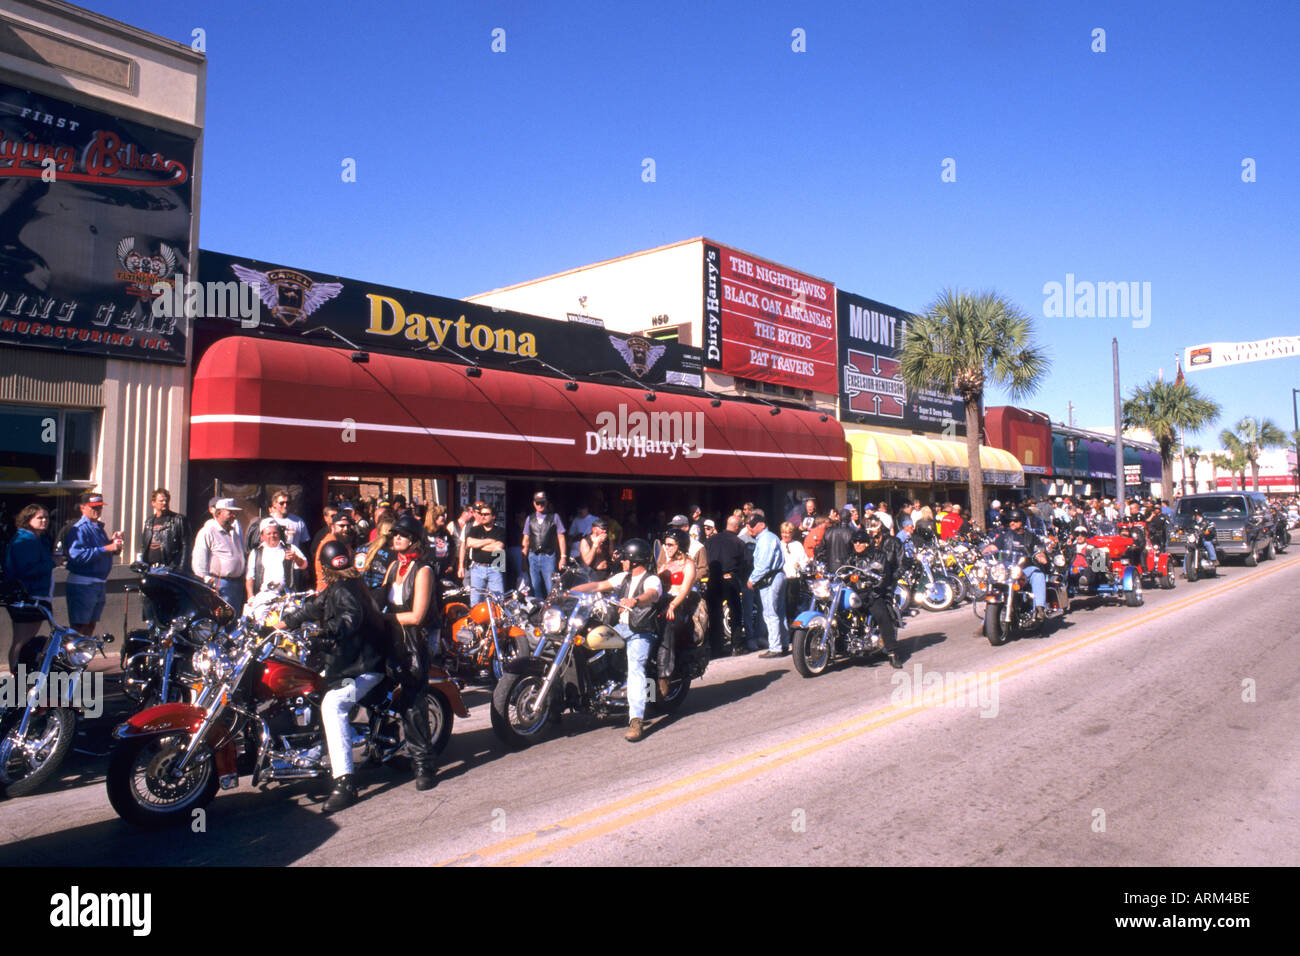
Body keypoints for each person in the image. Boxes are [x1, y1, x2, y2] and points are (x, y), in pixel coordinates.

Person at [276, 539, 390, 812]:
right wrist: (281, 622)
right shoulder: (343, 585)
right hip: (349, 663)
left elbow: (352, 617)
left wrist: (328, 633)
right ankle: (315, 749)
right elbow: (315, 605)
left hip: (365, 669)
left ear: (326, 568)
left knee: (333, 704)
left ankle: (345, 783)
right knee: (307, 686)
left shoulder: (347, 590)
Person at [571, 539, 663, 742]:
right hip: (621, 628)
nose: (622, 561)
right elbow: (598, 584)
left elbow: (652, 594)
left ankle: (636, 720)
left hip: (641, 631)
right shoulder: (623, 577)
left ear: (635, 561)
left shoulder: (651, 580)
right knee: (585, 641)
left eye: (625, 559)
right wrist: (572, 591)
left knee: (635, 667)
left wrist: (635, 600)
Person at [378, 514, 440, 790]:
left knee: (414, 701)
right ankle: (383, 749)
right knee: (382, 694)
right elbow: (381, 601)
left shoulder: (423, 570)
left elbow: (416, 616)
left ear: (414, 539)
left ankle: (423, 763)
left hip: (416, 641)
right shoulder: (393, 567)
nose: (397, 537)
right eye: (394, 534)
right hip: (393, 637)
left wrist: (385, 619)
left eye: (402, 534)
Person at [4, 504, 58, 670]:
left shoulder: (36, 539)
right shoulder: (24, 540)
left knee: (26, 639)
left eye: (46, 517)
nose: (44, 521)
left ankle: (19, 674)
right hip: (27, 597)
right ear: (28, 520)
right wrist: (52, 563)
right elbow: (26, 570)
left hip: (36, 595)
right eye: (39, 518)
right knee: (22, 640)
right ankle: (15, 674)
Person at [64, 492, 123, 635]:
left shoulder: (97, 527)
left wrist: (112, 543)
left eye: (99, 507)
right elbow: (77, 556)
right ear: (82, 508)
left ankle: (82, 656)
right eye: (93, 507)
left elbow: (99, 551)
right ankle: (72, 656)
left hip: (98, 583)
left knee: (90, 626)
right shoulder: (78, 528)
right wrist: (107, 548)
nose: (97, 510)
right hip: (83, 584)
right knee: (79, 628)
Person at [852, 519, 904, 668]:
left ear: (867, 543)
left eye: (860, 541)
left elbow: (884, 574)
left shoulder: (878, 555)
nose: (857, 544)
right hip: (856, 593)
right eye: (855, 541)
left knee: (881, 614)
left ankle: (893, 653)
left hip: (873, 592)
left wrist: (876, 591)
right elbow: (844, 571)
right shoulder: (851, 557)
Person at [983, 509, 1049, 621]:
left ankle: (1039, 608)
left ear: (1022, 522)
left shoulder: (1031, 537)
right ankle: (987, 620)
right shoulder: (1005, 536)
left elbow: (1039, 550)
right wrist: (983, 552)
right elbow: (993, 547)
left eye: (1015, 520)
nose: (1011, 523)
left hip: (1025, 569)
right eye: (1010, 521)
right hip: (1007, 570)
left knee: (1038, 574)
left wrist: (1040, 556)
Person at [656, 529, 698, 696]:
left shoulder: (688, 564)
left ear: (680, 545)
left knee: (667, 626)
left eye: (670, 544)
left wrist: (672, 605)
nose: (667, 548)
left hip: (680, 605)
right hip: (663, 602)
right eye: (665, 544)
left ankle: (664, 674)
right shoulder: (665, 564)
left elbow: (685, 590)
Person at [192, 498, 247, 616]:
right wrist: (205, 579)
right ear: (218, 513)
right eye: (230, 513)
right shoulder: (207, 532)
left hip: (237, 585)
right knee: (220, 619)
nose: (234, 516)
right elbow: (199, 561)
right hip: (219, 584)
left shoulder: (235, 532)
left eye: (235, 513)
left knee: (233, 619)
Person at [746, 514, 788, 658]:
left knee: (770, 613)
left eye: (752, 524)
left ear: (762, 525)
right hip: (777, 576)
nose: (749, 527)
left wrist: (752, 580)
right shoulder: (768, 538)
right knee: (779, 612)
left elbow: (763, 565)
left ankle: (776, 647)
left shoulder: (765, 539)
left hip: (770, 578)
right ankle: (783, 644)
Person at [705, 514, 746, 656]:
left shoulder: (711, 540)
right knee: (735, 612)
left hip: (713, 579)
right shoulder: (739, 543)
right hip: (730, 579)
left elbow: (706, 561)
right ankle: (737, 646)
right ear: (737, 527)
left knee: (714, 613)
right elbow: (745, 563)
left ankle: (716, 648)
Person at [245, 520, 308, 601]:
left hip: (287, 596)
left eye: (275, 533)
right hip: (263, 597)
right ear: (262, 536)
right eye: (268, 533)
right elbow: (250, 577)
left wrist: (295, 558)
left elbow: (304, 565)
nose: (272, 536)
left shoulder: (290, 548)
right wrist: (250, 597)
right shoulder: (255, 553)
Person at [521, 492, 566, 598]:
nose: (540, 505)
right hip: (533, 556)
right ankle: (538, 612)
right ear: (534, 503)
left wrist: (563, 557)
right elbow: (526, 539)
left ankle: (551, 611)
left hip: (548, 556)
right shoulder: (529, 518)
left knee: (551, 587)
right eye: (538, 503)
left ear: (547, 502)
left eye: (542, 502)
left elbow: (561, 537)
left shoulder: (554, 517)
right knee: (535, 587)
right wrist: (523, 560)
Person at [138, 488, 191, 571]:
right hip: (150, 568)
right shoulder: (149, 522)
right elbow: (144, 545)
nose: (165, 503)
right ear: (153, 503)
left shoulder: (178, 520)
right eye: (161, 501)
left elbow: (186, 545)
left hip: (168, 568)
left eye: (166, 501)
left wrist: (181, 568)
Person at [465, 503, 506, 604]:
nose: (483, 516)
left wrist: (478, 544)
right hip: (477, 567)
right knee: (476, 601)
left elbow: (498, 547)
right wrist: (489, 541)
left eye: (486, 514)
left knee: (498, 601)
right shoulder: (475, 530)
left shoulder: (500, 531)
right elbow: (469, 543)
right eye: (481, 514)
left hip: (496, 567)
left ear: (493, 516)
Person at [315, 510, 359, 590]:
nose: (346, 529)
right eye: (341, 526)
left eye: (348, 526)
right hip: (329, 592)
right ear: (332, 527)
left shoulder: (343, 541)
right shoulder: (330, 545)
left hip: (341, 590)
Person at [779, 521, 809, 623]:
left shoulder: (797, 545)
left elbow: (805, 561)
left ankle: (791, 633)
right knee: (781, 606)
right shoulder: (778, 545)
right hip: (781, 580)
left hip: (793, 581)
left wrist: (800, 566)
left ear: (792, 533)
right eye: (783, 532)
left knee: (792, 607)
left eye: (788, 533)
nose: (785, 535)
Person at [423, 505, 454, 580]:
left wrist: (451, 565)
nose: (445, 517)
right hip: (429, 569)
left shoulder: (445, 532)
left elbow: (453, 548)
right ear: (434, 518)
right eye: (442, 515)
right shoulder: (424, 532)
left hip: (444, 570)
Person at [577, 517, 614, 582]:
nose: (605, 531)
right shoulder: (585, 541)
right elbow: (587, 561)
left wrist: (614, 556)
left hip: (606, 572)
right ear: (594, 530)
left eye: (605, 529)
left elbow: (611, 556)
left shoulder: (608, 540)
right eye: (602, 529)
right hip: (592, 573)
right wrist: (595, 544)